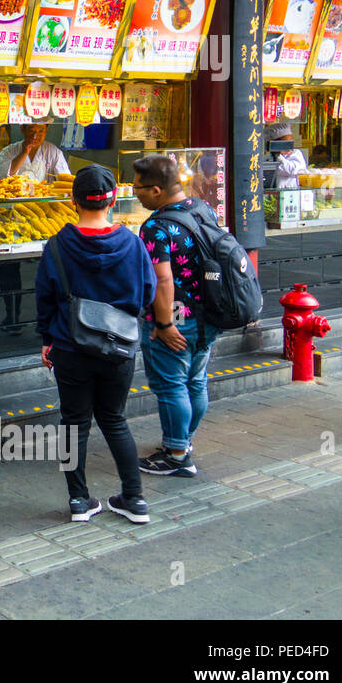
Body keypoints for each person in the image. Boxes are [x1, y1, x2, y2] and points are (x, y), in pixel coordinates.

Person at [36, 164, 156, 524]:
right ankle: (134, 500)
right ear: (113, 199)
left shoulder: (57, 245)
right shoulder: (133, 245)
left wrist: (47, 340)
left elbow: (45, 297)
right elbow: (148, 293)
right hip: (119, 349)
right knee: (114, 419)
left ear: (73, 201)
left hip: (70, 348)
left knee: (73, 423)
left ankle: (79, 501)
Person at [132, 153, 224, 477]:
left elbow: (162, 278)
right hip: (209, 315)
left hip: (177, 319)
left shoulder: (155, 226)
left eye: (139, 188)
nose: (135, 194)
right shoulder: (203, 209)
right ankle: (182, 441)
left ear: (156, 190)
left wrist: (165, 323)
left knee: (171, 386)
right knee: (195, 381)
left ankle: (176, 455)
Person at [0, 123, 69, 182]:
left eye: (41, 131)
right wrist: (24, 153)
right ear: (22, 129)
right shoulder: (8, 151)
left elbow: (65, 179)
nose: (35, 136)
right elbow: (3, 175)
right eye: (31, 131)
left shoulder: (54, 152)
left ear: (46, 130)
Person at [269, 122, 306, 189]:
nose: (290, 144)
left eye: (291, 140)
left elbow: (294, 170)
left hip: (292, 191)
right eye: (286, 142)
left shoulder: (296, 153)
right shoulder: (271, 157)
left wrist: (279, 158)